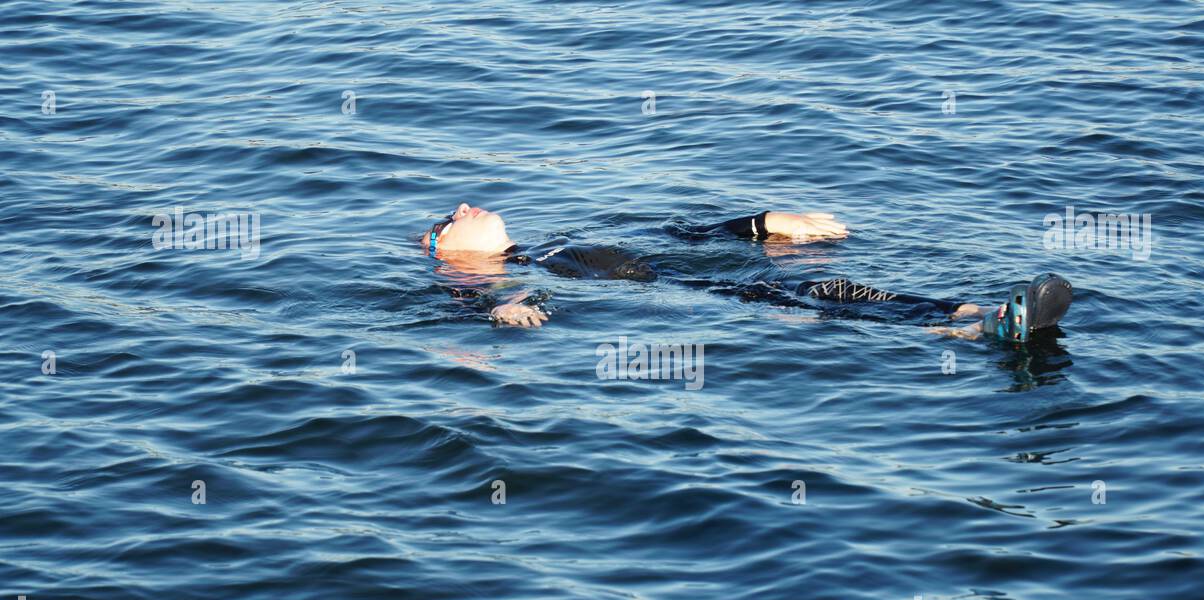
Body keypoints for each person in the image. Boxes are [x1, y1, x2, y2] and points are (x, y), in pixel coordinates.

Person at [418, 202, 1071, 338]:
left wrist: (762, 222)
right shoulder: (499, 279)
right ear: (446, 250)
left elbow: (680, 232)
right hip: (707, 300)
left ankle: (973, 316)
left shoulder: (547, 243)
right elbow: (509, 302)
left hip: (709, 282)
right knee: (821, 297)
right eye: (453, 215)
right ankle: (977, 326)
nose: (466, 206)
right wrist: (495, 311)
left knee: (827, 291)